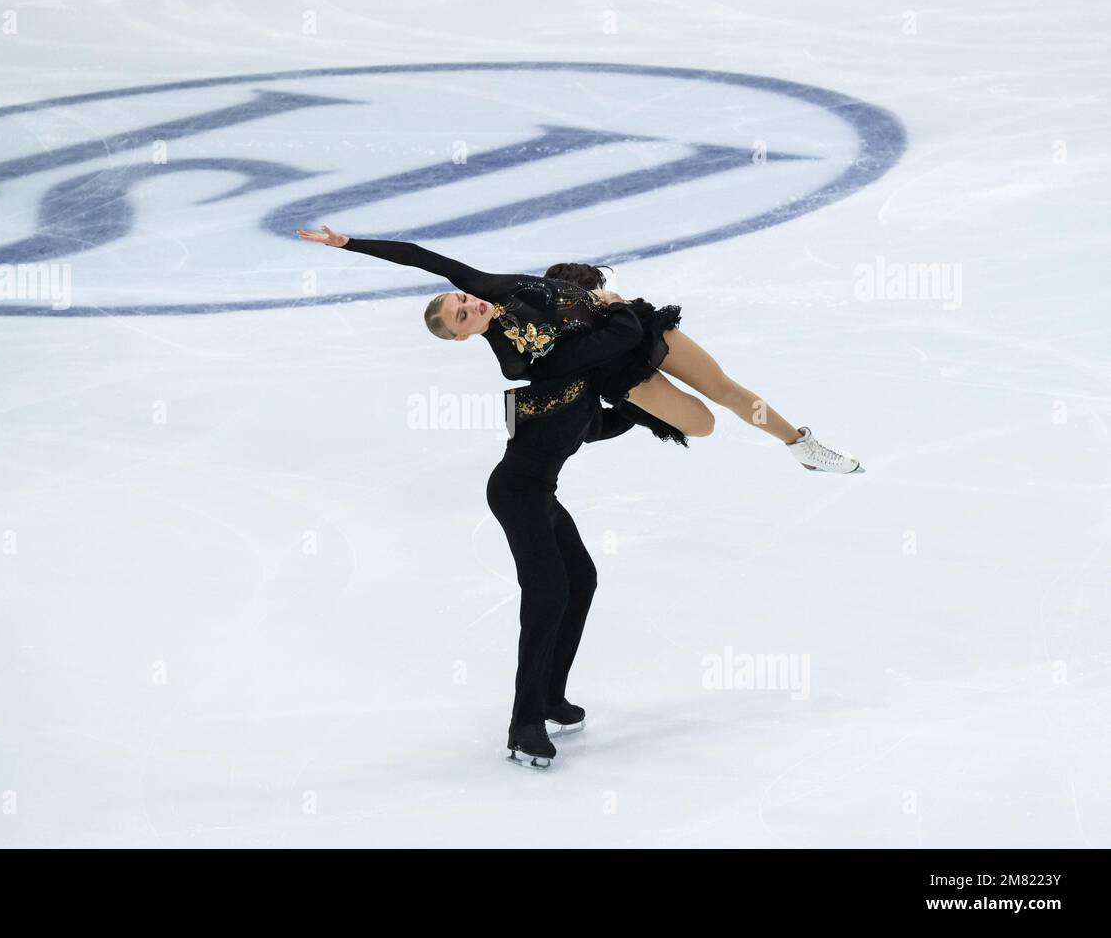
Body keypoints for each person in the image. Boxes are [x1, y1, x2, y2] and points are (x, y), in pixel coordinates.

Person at [298, 226, 864, 472]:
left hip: (643, 332)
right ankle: (648, 410)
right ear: (463, 336)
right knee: (703, 424)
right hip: (621, 366)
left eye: (461, 298)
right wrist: (609, 315)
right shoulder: (515, 360)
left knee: (728, 391)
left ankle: (801, 444)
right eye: (462, 315)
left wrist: (348, 243)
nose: (471, 305)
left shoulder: (493, 285)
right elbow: (577, 370)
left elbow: (422, 256)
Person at [487, 299, 645, 768]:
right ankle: (524, 724)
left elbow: (596, 426)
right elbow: (564, 411)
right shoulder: (547, 390)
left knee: (582, 580)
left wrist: (648, 412)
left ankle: (551, 696)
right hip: (517, 494)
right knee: (548, 594)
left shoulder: (575, 395)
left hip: (541, 496)